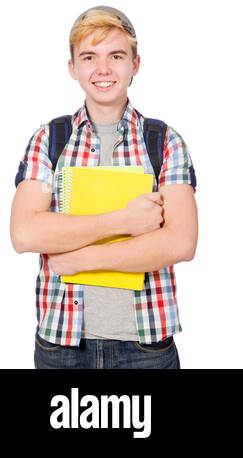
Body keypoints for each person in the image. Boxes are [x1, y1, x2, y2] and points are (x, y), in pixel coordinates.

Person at [11, 6, 198, 369]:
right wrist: (124, 220)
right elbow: (24, 232)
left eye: (116, 56)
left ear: (135, 64)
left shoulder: (164, 142)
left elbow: (181, 243)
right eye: (89, 57)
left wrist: (80, 259)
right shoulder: (50, 139)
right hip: (61, 346)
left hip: (146, 349)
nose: (103, 69)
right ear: (73, 68)